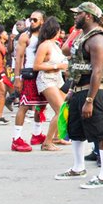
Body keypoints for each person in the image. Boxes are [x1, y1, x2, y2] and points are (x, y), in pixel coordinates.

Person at [54, 1, 103, 188]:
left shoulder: (98, 39)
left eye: (78, 14)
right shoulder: (82, 36)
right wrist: (72, 90)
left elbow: (97, 71)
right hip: (78, 91)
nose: (75, 16)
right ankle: (78, 167)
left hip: (93, 93)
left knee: (101, 132)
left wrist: (89, 100)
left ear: (88, 16)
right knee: (76, 132)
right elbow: (77, 66)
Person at [10, 10, 48, 152]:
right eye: (31, 19)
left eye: (35, 20)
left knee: (41, 105)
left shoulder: (45, 36)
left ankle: (37, 134)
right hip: (29, 74)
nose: (32, 22)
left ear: (42, 21)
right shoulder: (25, 36)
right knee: (24, 106)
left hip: (42, 73)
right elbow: (19, 57)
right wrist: (17, 78)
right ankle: (16, 138)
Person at [33, 16, 68, 151]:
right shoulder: (45, 45)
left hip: (57, 78)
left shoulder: (56, 45)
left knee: (66, 107)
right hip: (47, 79)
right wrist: (56, 66)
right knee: (60, 110)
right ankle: (47, 142)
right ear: (55, 30)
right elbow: (37, 66)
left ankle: (57, 136)